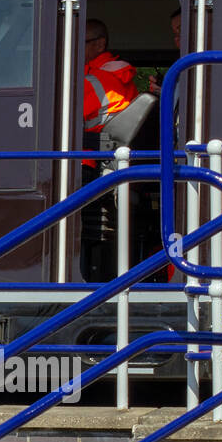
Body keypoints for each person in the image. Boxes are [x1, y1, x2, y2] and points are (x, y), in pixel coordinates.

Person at [79, 19, 136, 281]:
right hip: (106, 167)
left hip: (90, 166)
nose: (78, 49)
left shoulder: (95, 81)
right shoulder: (121, 78)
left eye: (84, 43)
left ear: (100, 44)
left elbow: (55, 119)